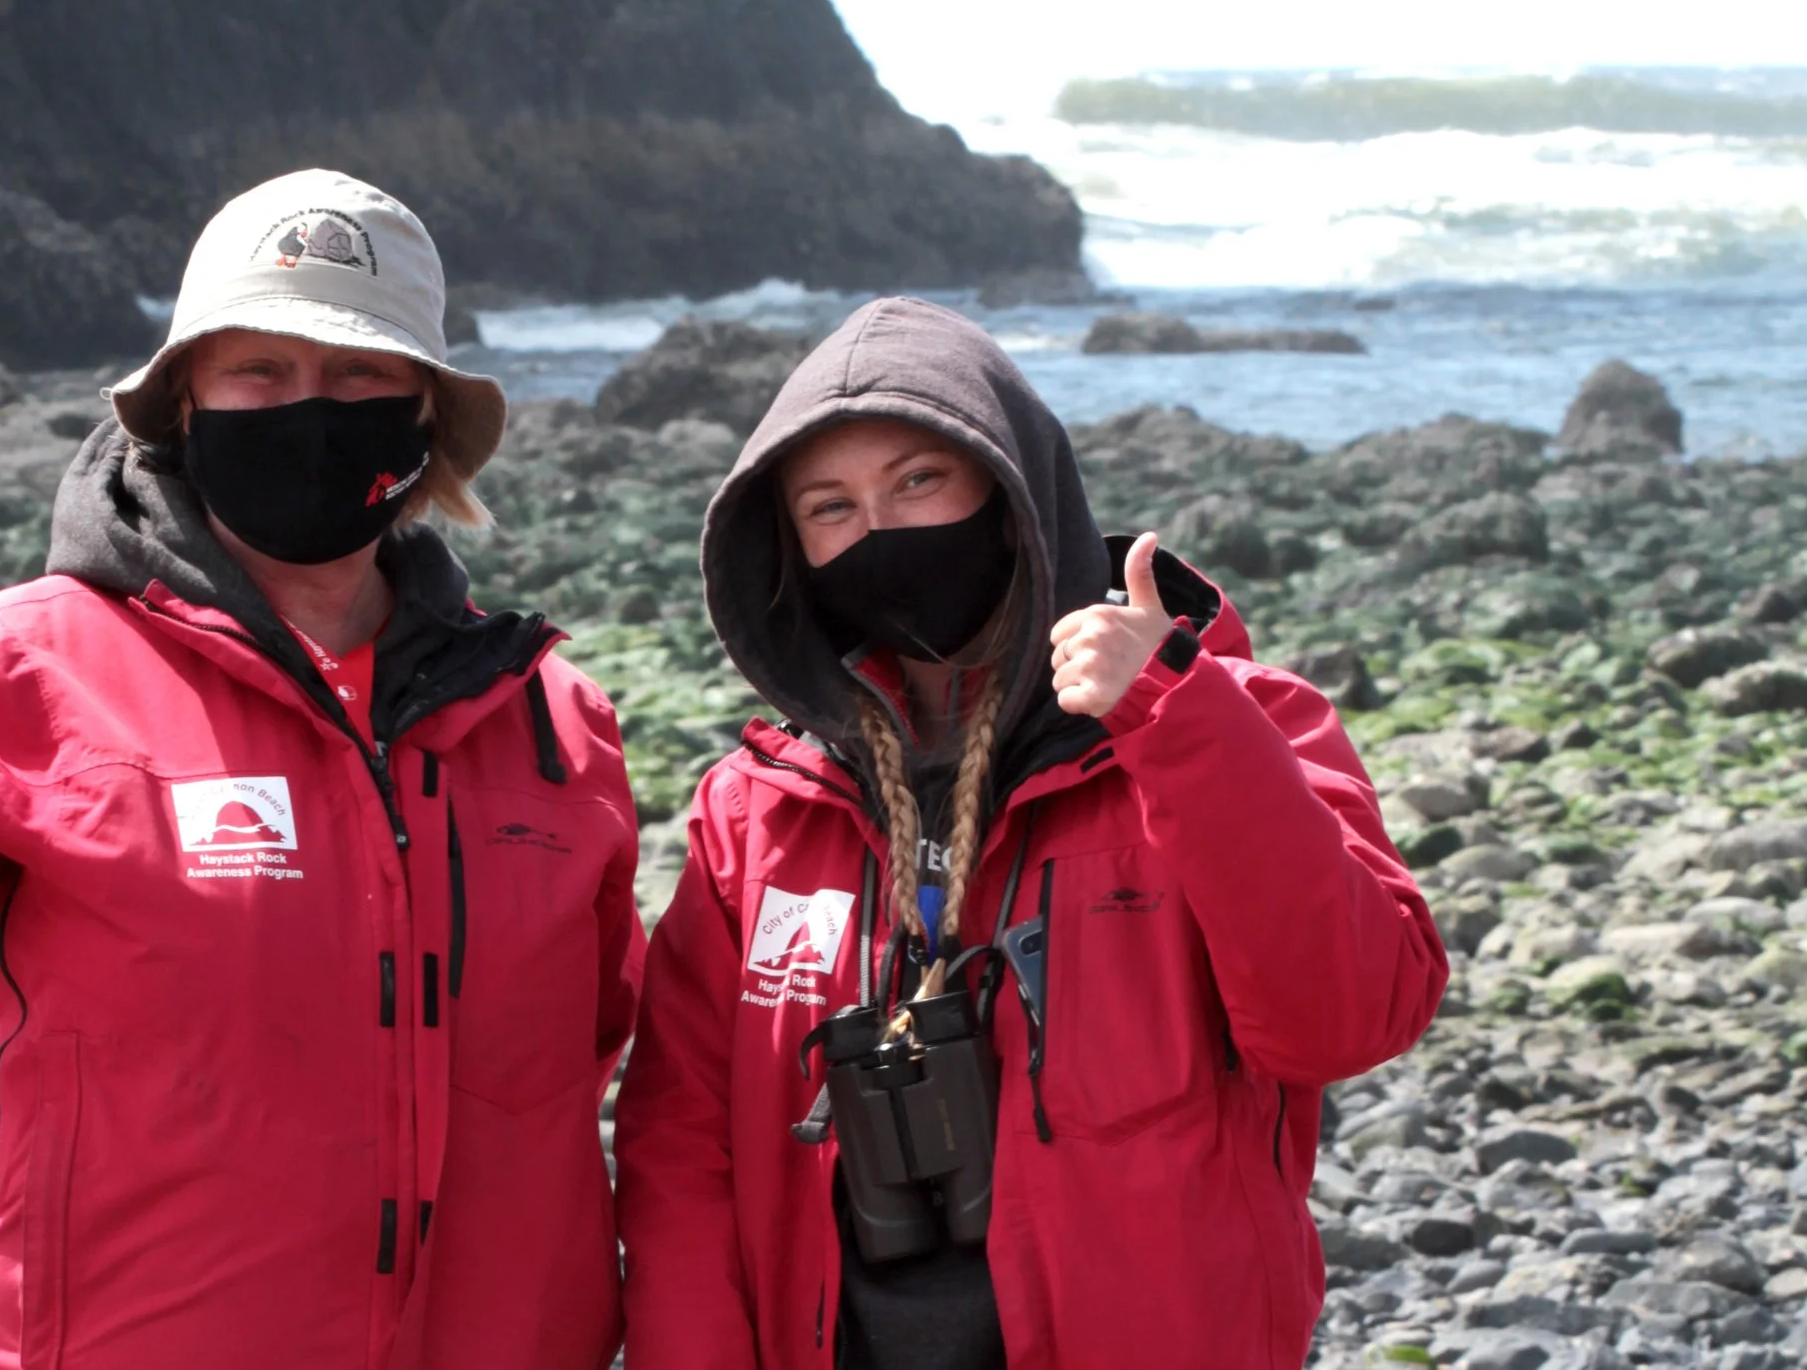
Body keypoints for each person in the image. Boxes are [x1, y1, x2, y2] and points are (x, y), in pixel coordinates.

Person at [0, 169, 643, 1370]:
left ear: (423, 417)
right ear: (181, 406)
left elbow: (585, 1063)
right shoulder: (28, 669)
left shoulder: (547, 719)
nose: (307, 410)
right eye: (258, 373)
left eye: (357, 377)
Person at [614, 297, 1446, 1370]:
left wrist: (1176, 717)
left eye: (918, 481)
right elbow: (682, 1141)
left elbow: (1346, 1019)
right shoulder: (760, 808)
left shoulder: (1232, 723)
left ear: (1009, 496)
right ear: (785, 546)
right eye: (830, 508)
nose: (877, 530)